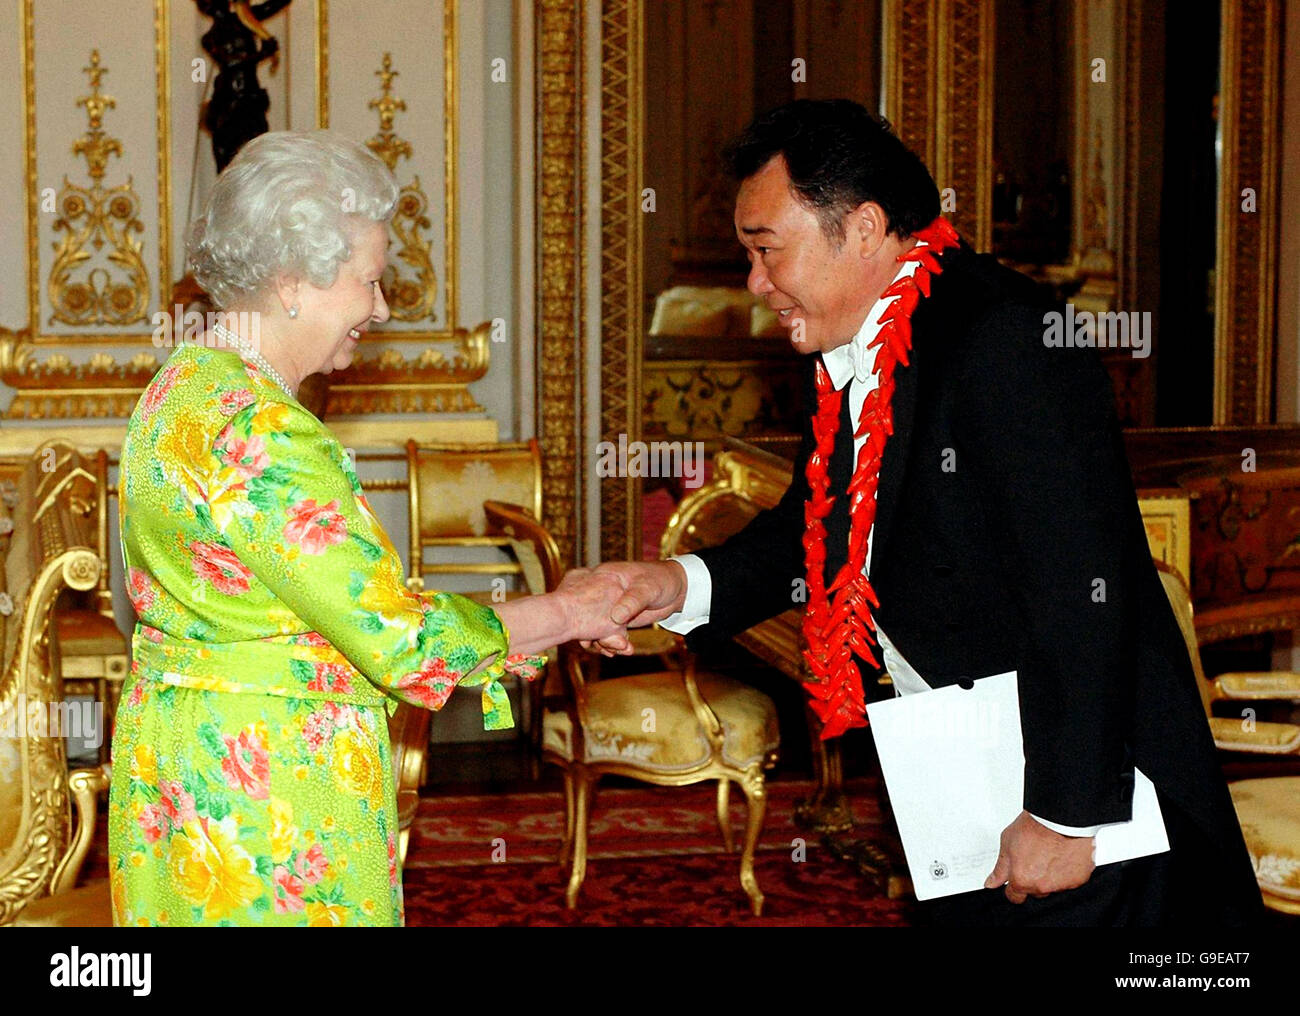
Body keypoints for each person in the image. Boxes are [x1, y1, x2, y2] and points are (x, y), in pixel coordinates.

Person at [589, 100, 1263, 926]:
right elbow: (821, 524)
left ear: (864, 228)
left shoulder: (1006, 336)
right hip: (958, 775)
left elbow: (1084, 591)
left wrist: (1063, 815)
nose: (756, 284)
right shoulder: (859, 340)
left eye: (767, 252)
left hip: (1083, 818)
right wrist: (677, 583)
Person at [108, 130, 626, 926]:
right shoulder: (262, 430)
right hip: (271, 788)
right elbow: (401, 639)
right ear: (291, 282)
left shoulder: (178, 387)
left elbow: (316, 602)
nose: (380, 309)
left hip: (184, 759)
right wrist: (568, 611)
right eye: (370, 283)